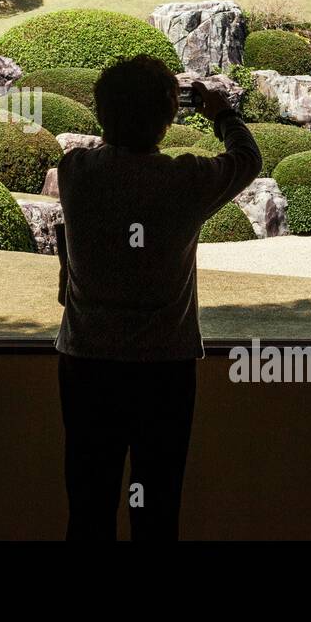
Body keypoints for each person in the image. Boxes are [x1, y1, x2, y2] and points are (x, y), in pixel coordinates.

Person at [53, 54, 262, 541]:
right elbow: (247, 159)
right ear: (170, 116)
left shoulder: (75, 171)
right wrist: (223, 114)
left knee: (88, 505)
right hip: (163, 366)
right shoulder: (184, 181)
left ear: (101, 113)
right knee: (158, 508)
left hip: (87, 362)